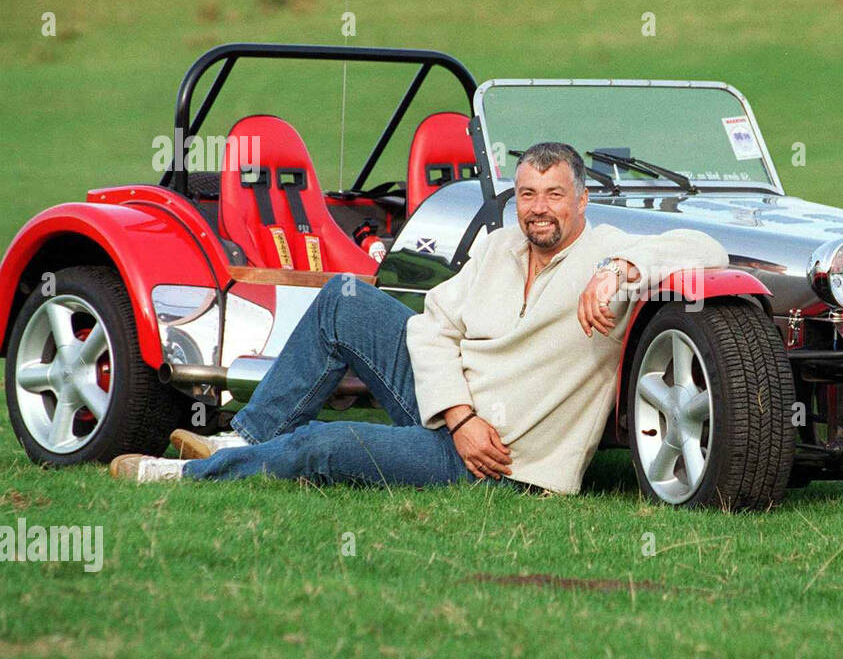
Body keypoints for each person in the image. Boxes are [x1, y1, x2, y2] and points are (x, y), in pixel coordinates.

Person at [109, 142, 729, 493]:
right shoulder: (499, 248)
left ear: (583, 200)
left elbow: (707, 250)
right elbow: (431, 325)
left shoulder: (605, 252)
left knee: (323, 446)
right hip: (453, 414)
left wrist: (618, 270)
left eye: (555, 195)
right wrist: (457, 414)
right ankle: (245, 437)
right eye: (528, 195)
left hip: (496, 460)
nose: (539, 210)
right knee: (345, 297)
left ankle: (189, 474)